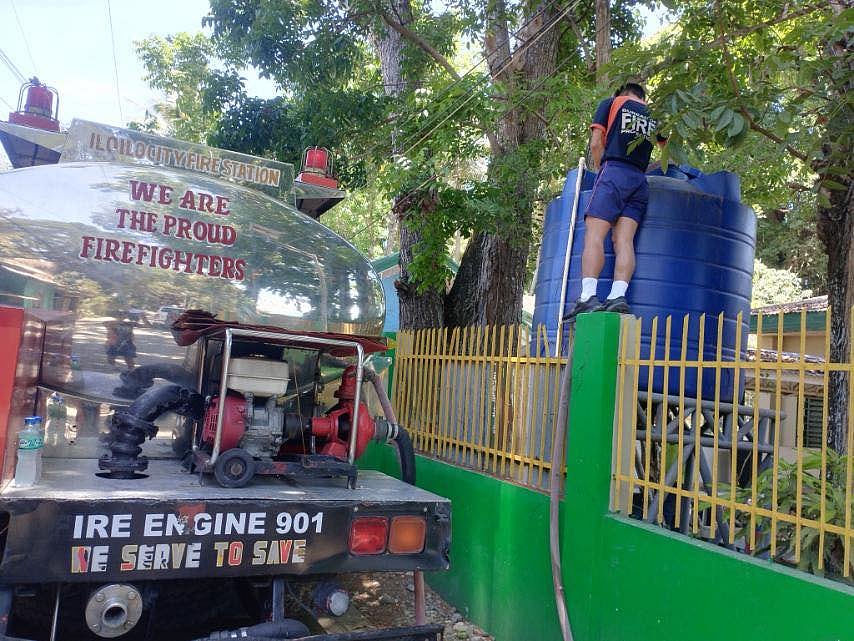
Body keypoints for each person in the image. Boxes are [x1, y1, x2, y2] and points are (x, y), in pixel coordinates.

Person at [565, 82, 664, 318]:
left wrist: (602, 171)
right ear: (642, 97)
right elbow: (669, 153)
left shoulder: (612, 103)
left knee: (594, 235)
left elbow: (596, 143)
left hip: (614, 173)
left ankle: (588, 296)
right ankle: (617, 296)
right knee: (624, 241)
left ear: (621, 94)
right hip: (640, 181)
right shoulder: (656, 116)